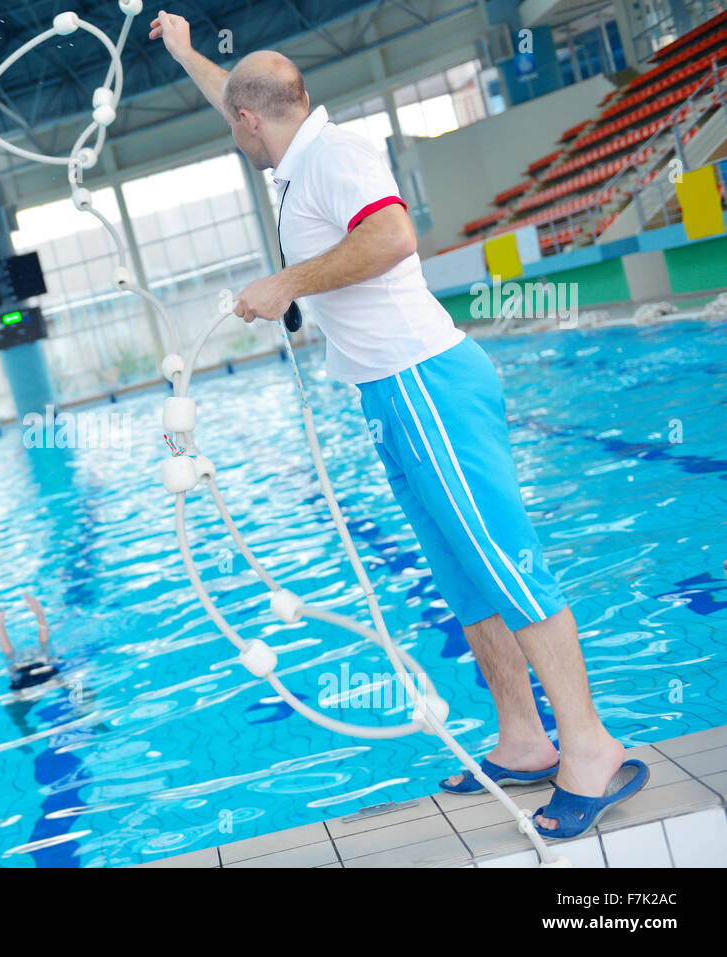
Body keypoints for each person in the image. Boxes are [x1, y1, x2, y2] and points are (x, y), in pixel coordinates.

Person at [148, 11, 647, 839]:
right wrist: (184, 51)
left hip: (427, 381)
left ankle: (589, 748)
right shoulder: (291, 148)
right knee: (465, 577)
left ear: (251, 120)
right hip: (392, 394)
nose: (232, 131)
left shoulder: (336, 157)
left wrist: (288, 282)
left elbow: (391, 235)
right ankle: (523, 738)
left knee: (507, 568)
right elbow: (231, 93)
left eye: (234, 121)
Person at [0, 592, 61, 691]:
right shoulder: (41, 656)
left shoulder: (18, 662)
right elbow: (44, 641)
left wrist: (0, 629)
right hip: (43, 673)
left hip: (26, 679)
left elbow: (8, 653)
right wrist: (40, 616)